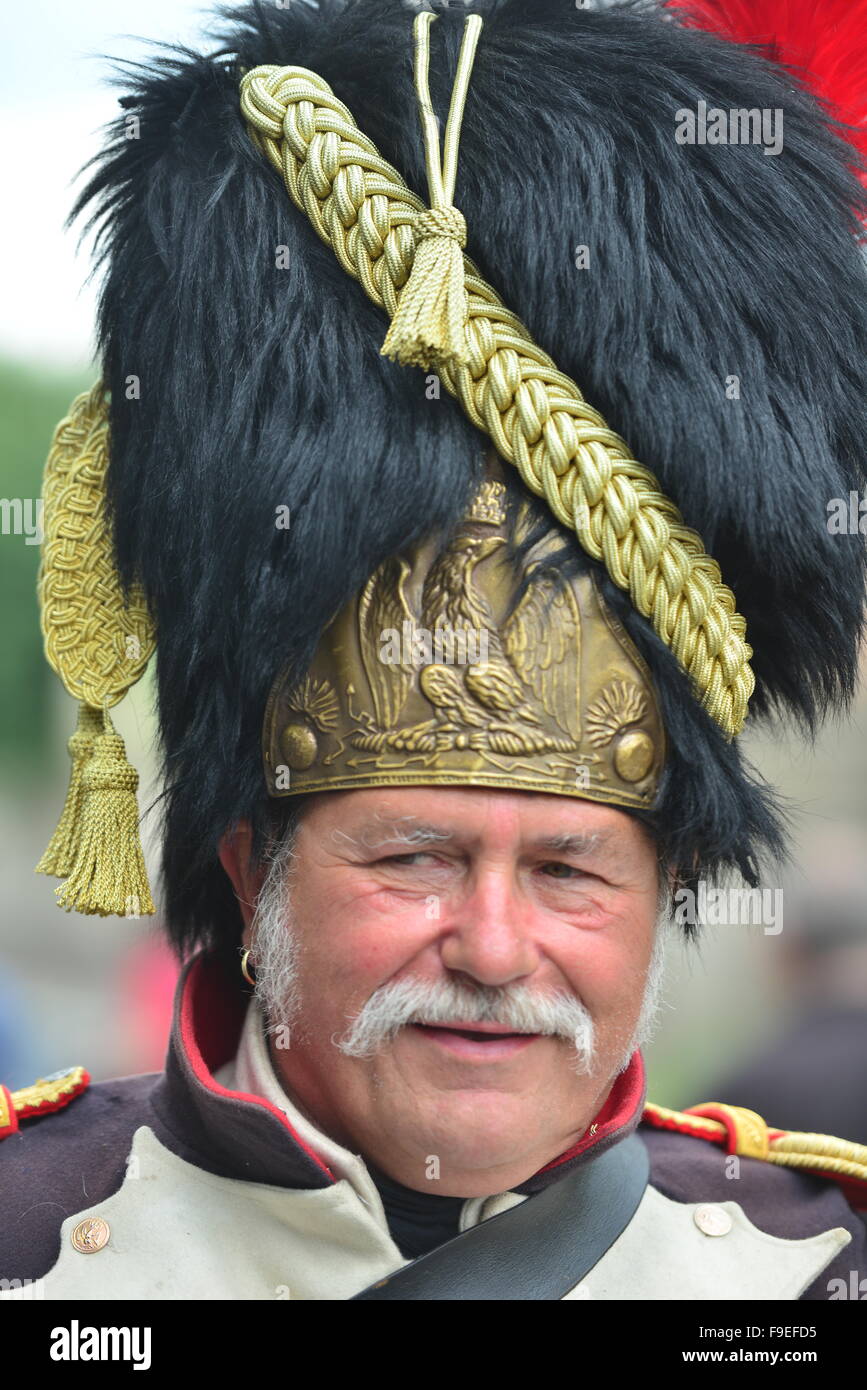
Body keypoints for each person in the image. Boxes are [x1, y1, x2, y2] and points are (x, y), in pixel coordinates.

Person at [2, 0, 866, 1301]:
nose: (498, 947)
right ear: (250, 872)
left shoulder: (819, 1264)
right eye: (416, 855)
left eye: (574, 868)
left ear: (670, 886)